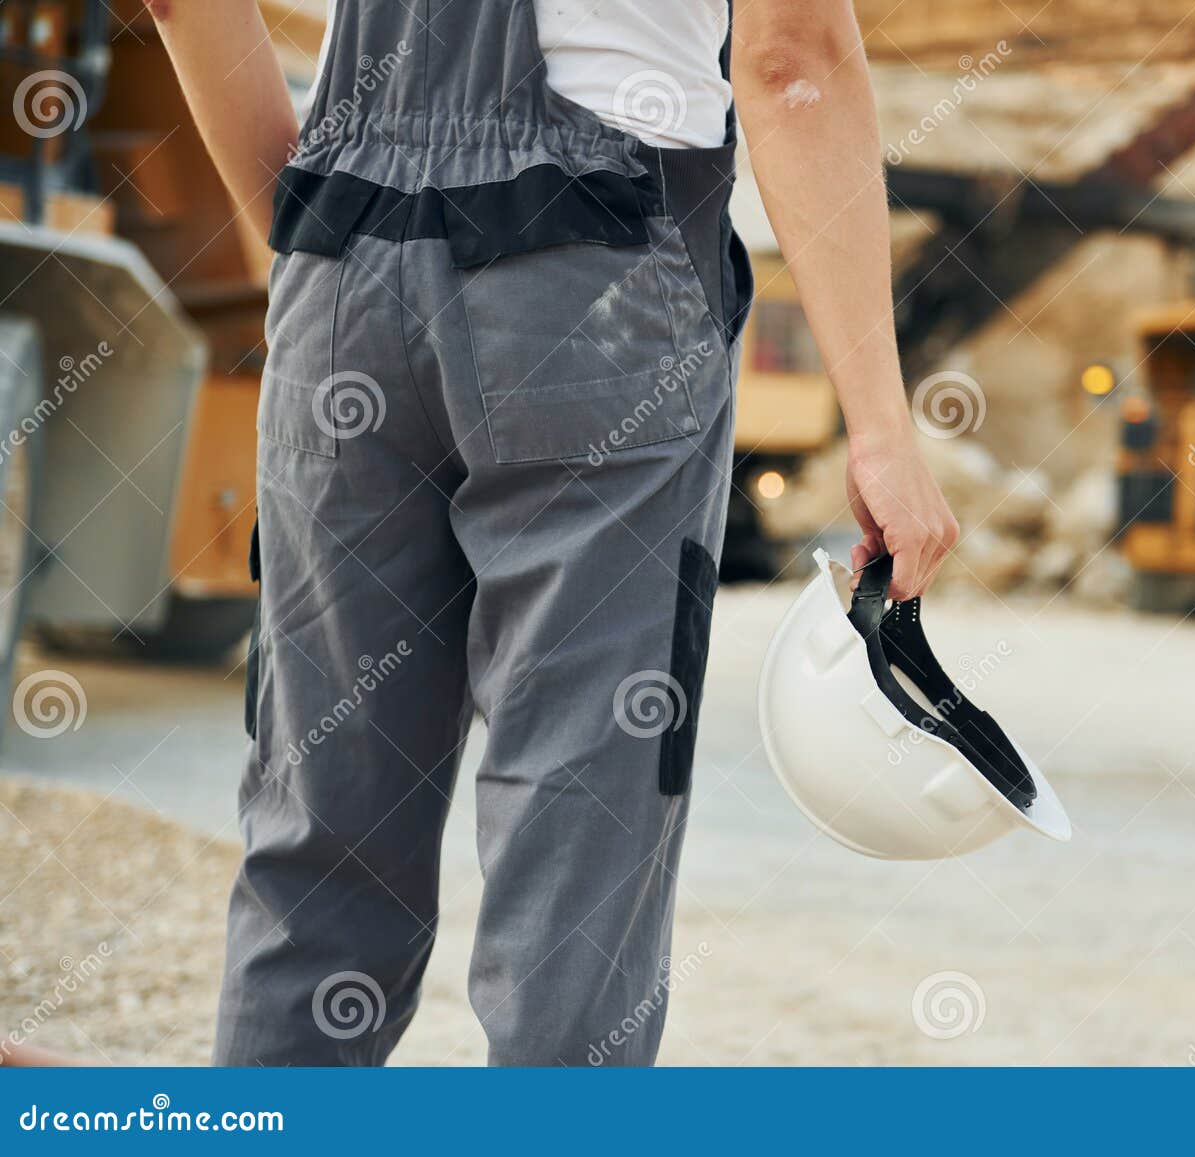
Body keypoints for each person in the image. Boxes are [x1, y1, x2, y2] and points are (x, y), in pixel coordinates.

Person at [150, 0, 957, 1065]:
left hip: (340, 272)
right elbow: (790, 60)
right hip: (591, 276)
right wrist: (882, 431)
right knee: (576, 837)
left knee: (318, 834)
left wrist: (309, 229)